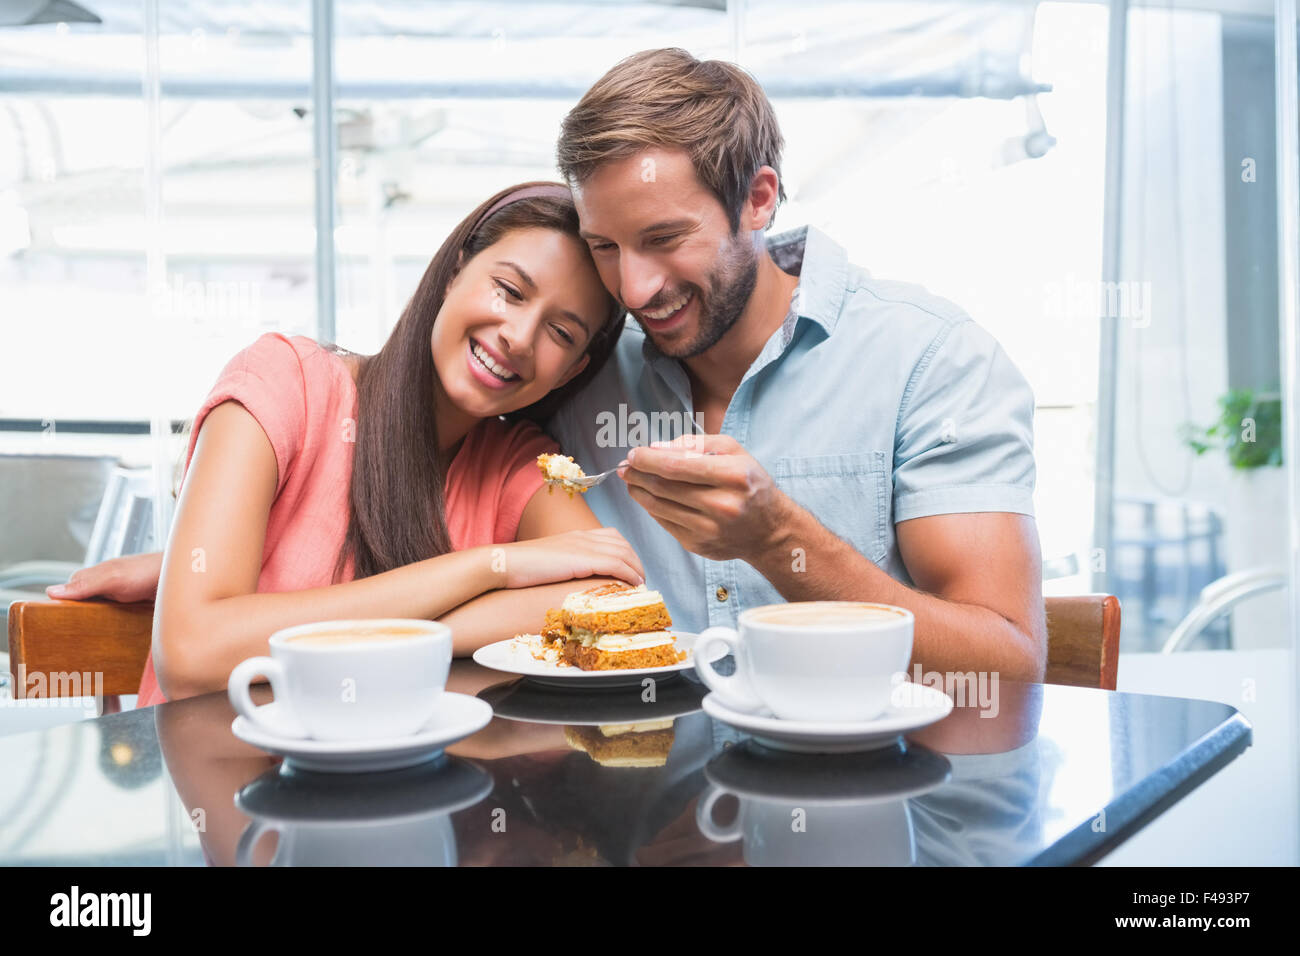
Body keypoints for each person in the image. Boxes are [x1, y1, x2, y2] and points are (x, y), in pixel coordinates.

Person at [57, 48, 1047, 686]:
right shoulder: (579, 374)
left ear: (759, 199)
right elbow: (394, 449)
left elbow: (1005, 657)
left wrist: (780, 538)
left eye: (664, 238)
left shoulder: (929, 358)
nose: (639, 288)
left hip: (884, 794)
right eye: (609, 247)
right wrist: (237, 548)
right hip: (626, 802)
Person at [72, 182, 644, 705]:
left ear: (570, 371)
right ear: (455, 271)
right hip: (239, 797)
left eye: (561, 333)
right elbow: (194, 658)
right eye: (509, 290)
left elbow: (617, 601)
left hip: (405, 796)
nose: (519, 337)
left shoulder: (514, 463)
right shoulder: (284, 383)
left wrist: (412, 631)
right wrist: (489, 568)